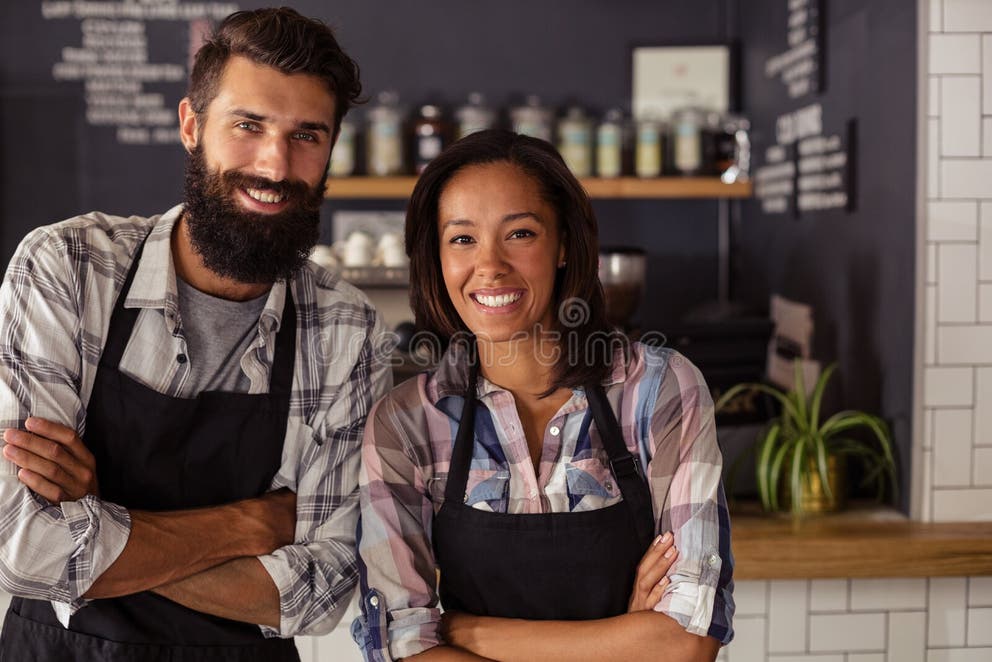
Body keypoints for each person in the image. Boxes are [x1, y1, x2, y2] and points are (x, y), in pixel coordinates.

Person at [0, 7, 390, 661]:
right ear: (191, 125)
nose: (274, 163)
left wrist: (100, 516)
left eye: (307, 135)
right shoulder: (67, 267)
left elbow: (317, 596)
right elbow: (23, 547)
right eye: (249, 125)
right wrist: (248, 525)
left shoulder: (348, 331)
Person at [354, 129, 734, 661]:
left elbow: (688, 645)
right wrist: (624, 638)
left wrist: (475, 634)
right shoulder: (406, 424)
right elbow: (406, 648)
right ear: (435, 259)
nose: (489, 265)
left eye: (520, 234)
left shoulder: (659, 390)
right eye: (462, 239)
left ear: (562, 246)